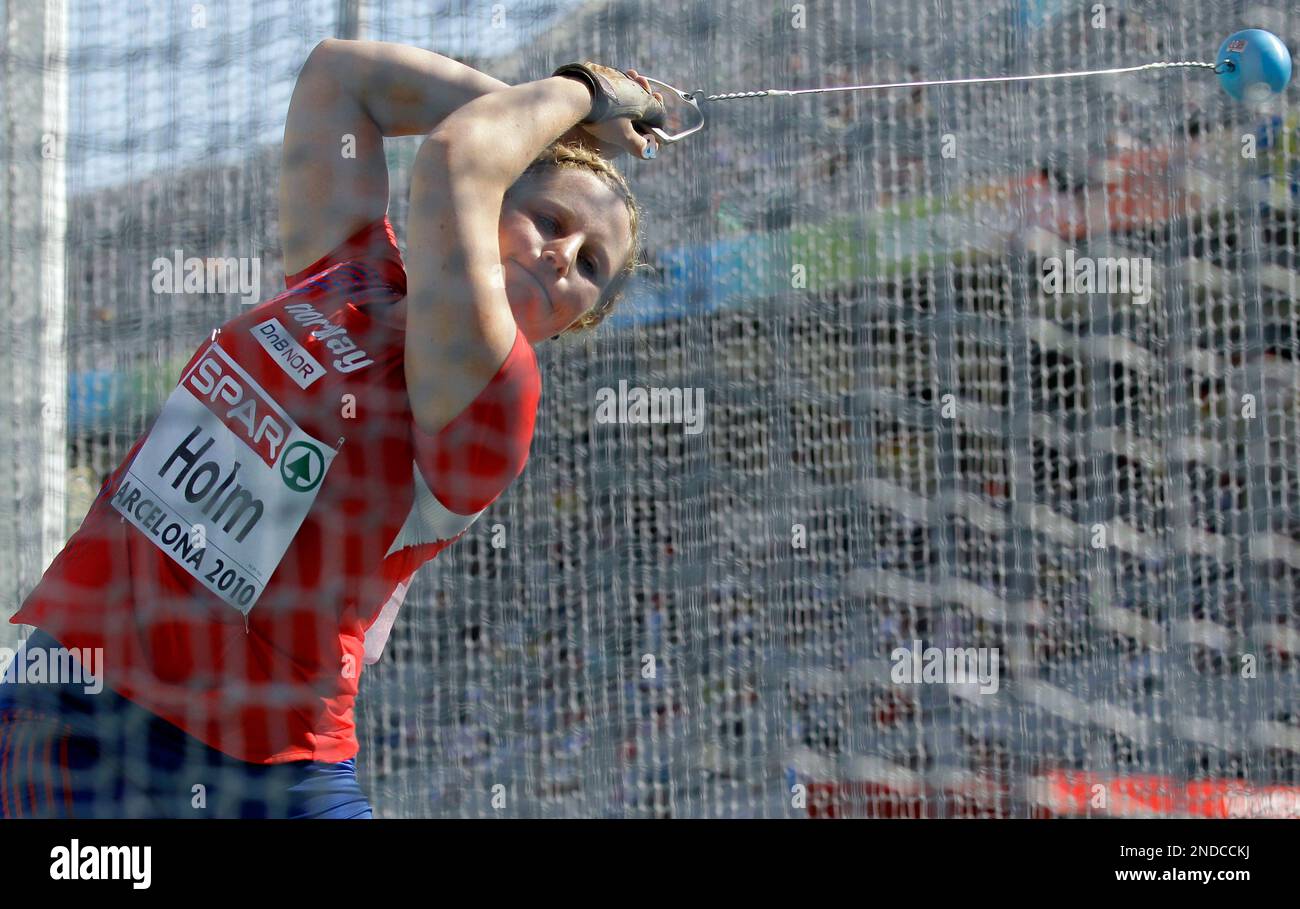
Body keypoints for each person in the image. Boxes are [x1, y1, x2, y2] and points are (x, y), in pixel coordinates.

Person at [0, 40, 664, 818]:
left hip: (266, 769)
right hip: (78, 711)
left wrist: (583, 91)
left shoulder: (496, 390)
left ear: (581, 320)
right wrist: (569, 129)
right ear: (497, 202)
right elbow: (341, 76)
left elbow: (456, 158)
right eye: (550, 219)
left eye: (591, 266)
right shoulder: (349, 271)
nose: (562, 258)